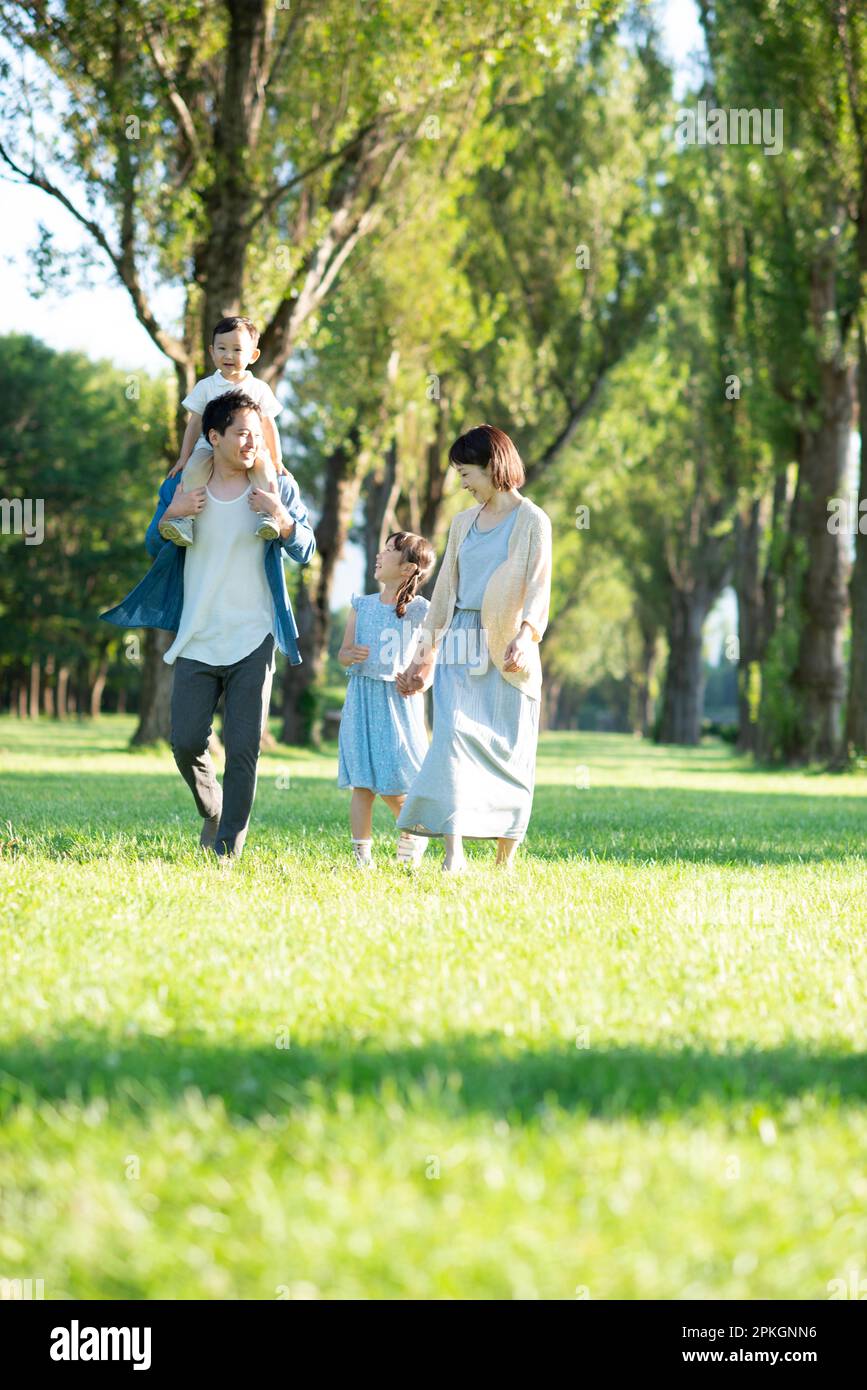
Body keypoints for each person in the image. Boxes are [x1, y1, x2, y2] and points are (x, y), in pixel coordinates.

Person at [101, 390, 315, 859]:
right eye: (240, 433)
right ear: (213, 436)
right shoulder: (181, 486)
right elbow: (155, 548)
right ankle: (213, 807)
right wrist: (170, 518)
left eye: (256, 435)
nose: (250, 443)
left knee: (243, 747)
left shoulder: (276, 487)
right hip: (197, 634)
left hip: (254, 634)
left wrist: (284, 523)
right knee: (185, 741)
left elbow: (306, 548)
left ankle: (227, 848)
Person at [396, 424, 552, 873]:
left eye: (467, 473)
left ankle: (504, 861)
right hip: (461, 643)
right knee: (451, 739)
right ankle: (453, 853)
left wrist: (526, 636)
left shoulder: (533, 521)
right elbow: (444, 594)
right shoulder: (463, 523)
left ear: (493, 466)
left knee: (509, 749)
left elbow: (539, 588)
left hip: (508, 648)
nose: (462, 483)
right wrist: (420, 658)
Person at [337, 531, 436, 869]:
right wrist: (350, 654)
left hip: (396, 703)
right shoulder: (360, 605)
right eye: (382, 548)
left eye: (390, 550)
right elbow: (343, 653)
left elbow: (429, 663)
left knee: (394, 781)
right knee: (361, 782)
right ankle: (361, 858)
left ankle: (415, 831)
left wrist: (420, 680)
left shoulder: (422, 612)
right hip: (361, 699)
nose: (380, 554)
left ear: (408, 569)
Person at [160, 316, 284, 547]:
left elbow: (268, 425)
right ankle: (185, 521)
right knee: (194, 469)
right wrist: (183, 458)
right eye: (222, 348)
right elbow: (195, 424)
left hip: (251, 450)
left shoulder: (258, 388)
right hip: (208, 447)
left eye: (237, 349)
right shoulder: (206, 387)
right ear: (212, 351)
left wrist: (277, 460)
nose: (228, 355)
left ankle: (268, 517)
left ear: (253, 355)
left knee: (264, 470)